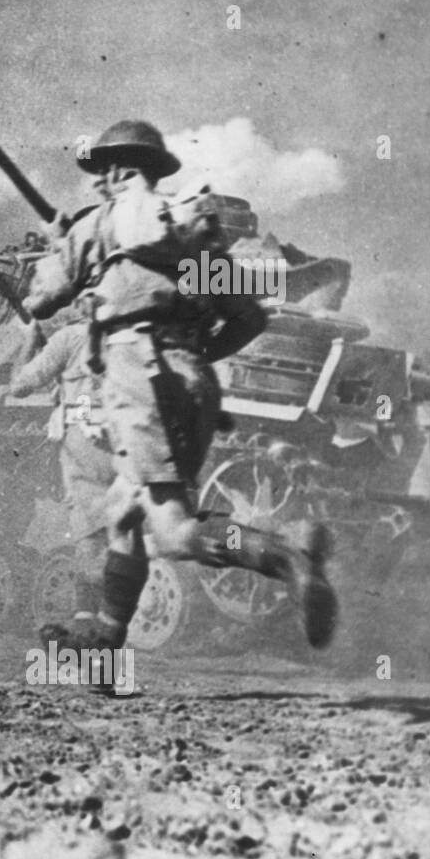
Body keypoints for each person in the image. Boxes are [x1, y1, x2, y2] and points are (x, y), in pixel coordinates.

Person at [24, 120, 336, 655]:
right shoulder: (193, 236)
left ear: (120, 170)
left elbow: (40, 301)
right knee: (123, 510)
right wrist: (192, 355)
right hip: (193, 380)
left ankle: (289, 558)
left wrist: (61, 245)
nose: (98, 184)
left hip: (137, 380)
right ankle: (106, 635)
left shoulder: (103, 221)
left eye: (102, 174)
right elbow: (249, 320)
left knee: (171, 531)